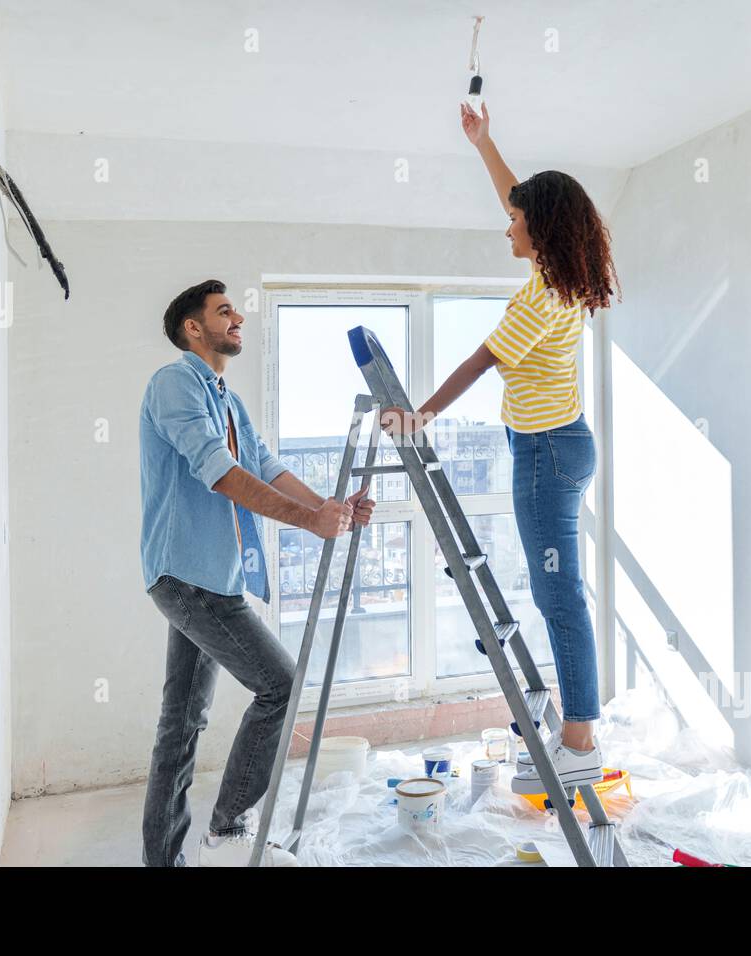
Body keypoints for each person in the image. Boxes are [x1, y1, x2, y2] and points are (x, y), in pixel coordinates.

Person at [383, 102, 619, 795]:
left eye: (516, 220)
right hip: (555, 445)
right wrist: (484, 143)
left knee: (558, 597)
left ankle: (580, 743)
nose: (506, 224)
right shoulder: (558, 274)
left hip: (546, 454)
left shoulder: (542, 297)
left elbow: (482, 360)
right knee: (558, 593)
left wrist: (419, 418)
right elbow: (517, 195)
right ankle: (578, 731)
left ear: (539, 230)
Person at [140, 279, 376, 866]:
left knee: (181, 724)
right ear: (193, 328)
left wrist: (331, 508)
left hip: (209, 579)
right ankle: (227, 831)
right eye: (224, 311)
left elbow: (264, 466)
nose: (238, 317)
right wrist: (310, 521)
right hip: (188, 578)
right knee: (281, 686)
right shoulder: (175, 383)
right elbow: (220, 472)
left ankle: (163, 861)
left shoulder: (227, 399)